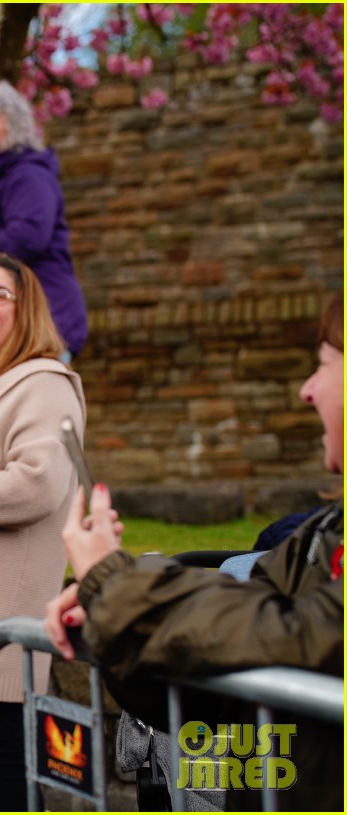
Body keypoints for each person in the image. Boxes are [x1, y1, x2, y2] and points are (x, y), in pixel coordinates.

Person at [44, 292, 343, 811]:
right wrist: (111, 612)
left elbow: (296, 638)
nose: (306, 391)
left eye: (324, 366)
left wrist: (117, 586)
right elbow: (204, 677)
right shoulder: (322, 534)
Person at [0, 251, 86, 811]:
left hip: (5, 648)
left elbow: (39, 483)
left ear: (25, 310)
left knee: (6, 787)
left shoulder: (45, 382)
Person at [0, 80, 88, 358]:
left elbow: (27, 237)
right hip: (13, 324)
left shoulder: (28, 174)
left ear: (13, 124)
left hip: (45, 320)